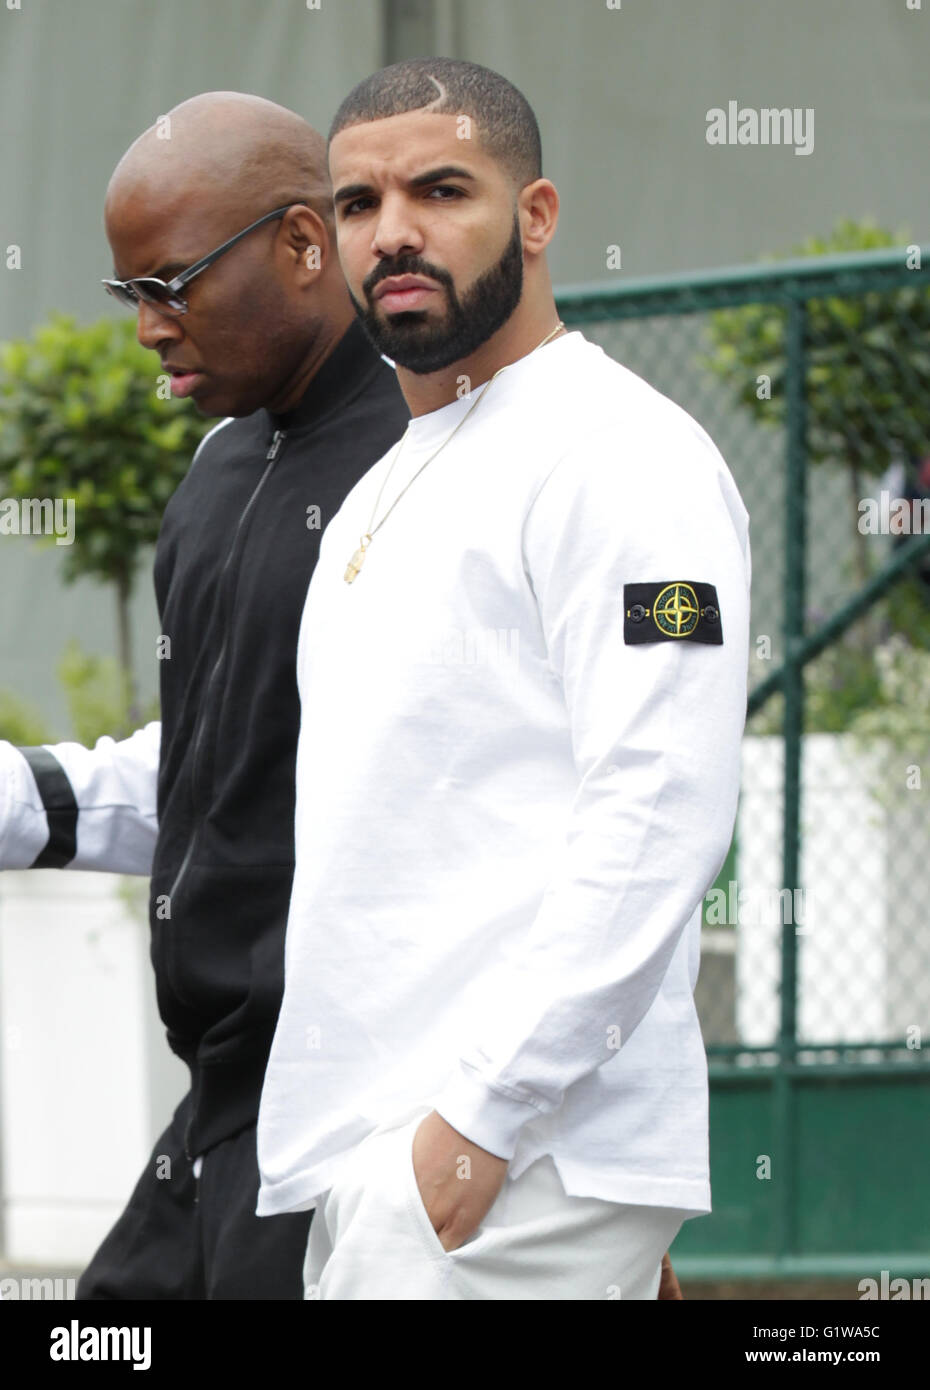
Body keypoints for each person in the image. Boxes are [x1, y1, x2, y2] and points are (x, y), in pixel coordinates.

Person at [256, 57, 751, 1301]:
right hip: (394, 1160)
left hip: (503, 1159)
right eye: (359, 205)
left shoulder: (620, 455)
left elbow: (657, 802)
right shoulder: (387, 477)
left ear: (535, 215)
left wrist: (482, 1117)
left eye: (440, 190)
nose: (395, 233)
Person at [0, 91, 410, 1299]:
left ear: (299, 244)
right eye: (132, 294)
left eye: (171, 284)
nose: (148, 330)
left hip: (361, 1113)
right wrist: (26, 799)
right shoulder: (221, 463)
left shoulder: (426, 466)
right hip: (226, 1101)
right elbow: (218, 765)